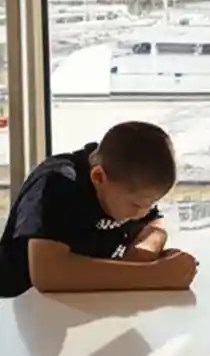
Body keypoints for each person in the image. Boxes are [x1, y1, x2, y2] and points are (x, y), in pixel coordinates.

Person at [0, 122, 198, 297]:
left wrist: (143, 253)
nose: (143, 213)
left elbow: (154, 224)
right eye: (137, 205)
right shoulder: (57, 183)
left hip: (82, 306)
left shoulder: (125, 181)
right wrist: (155, 275)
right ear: (99, 177)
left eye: (151, 203)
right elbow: (48, 273)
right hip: (19, 310)